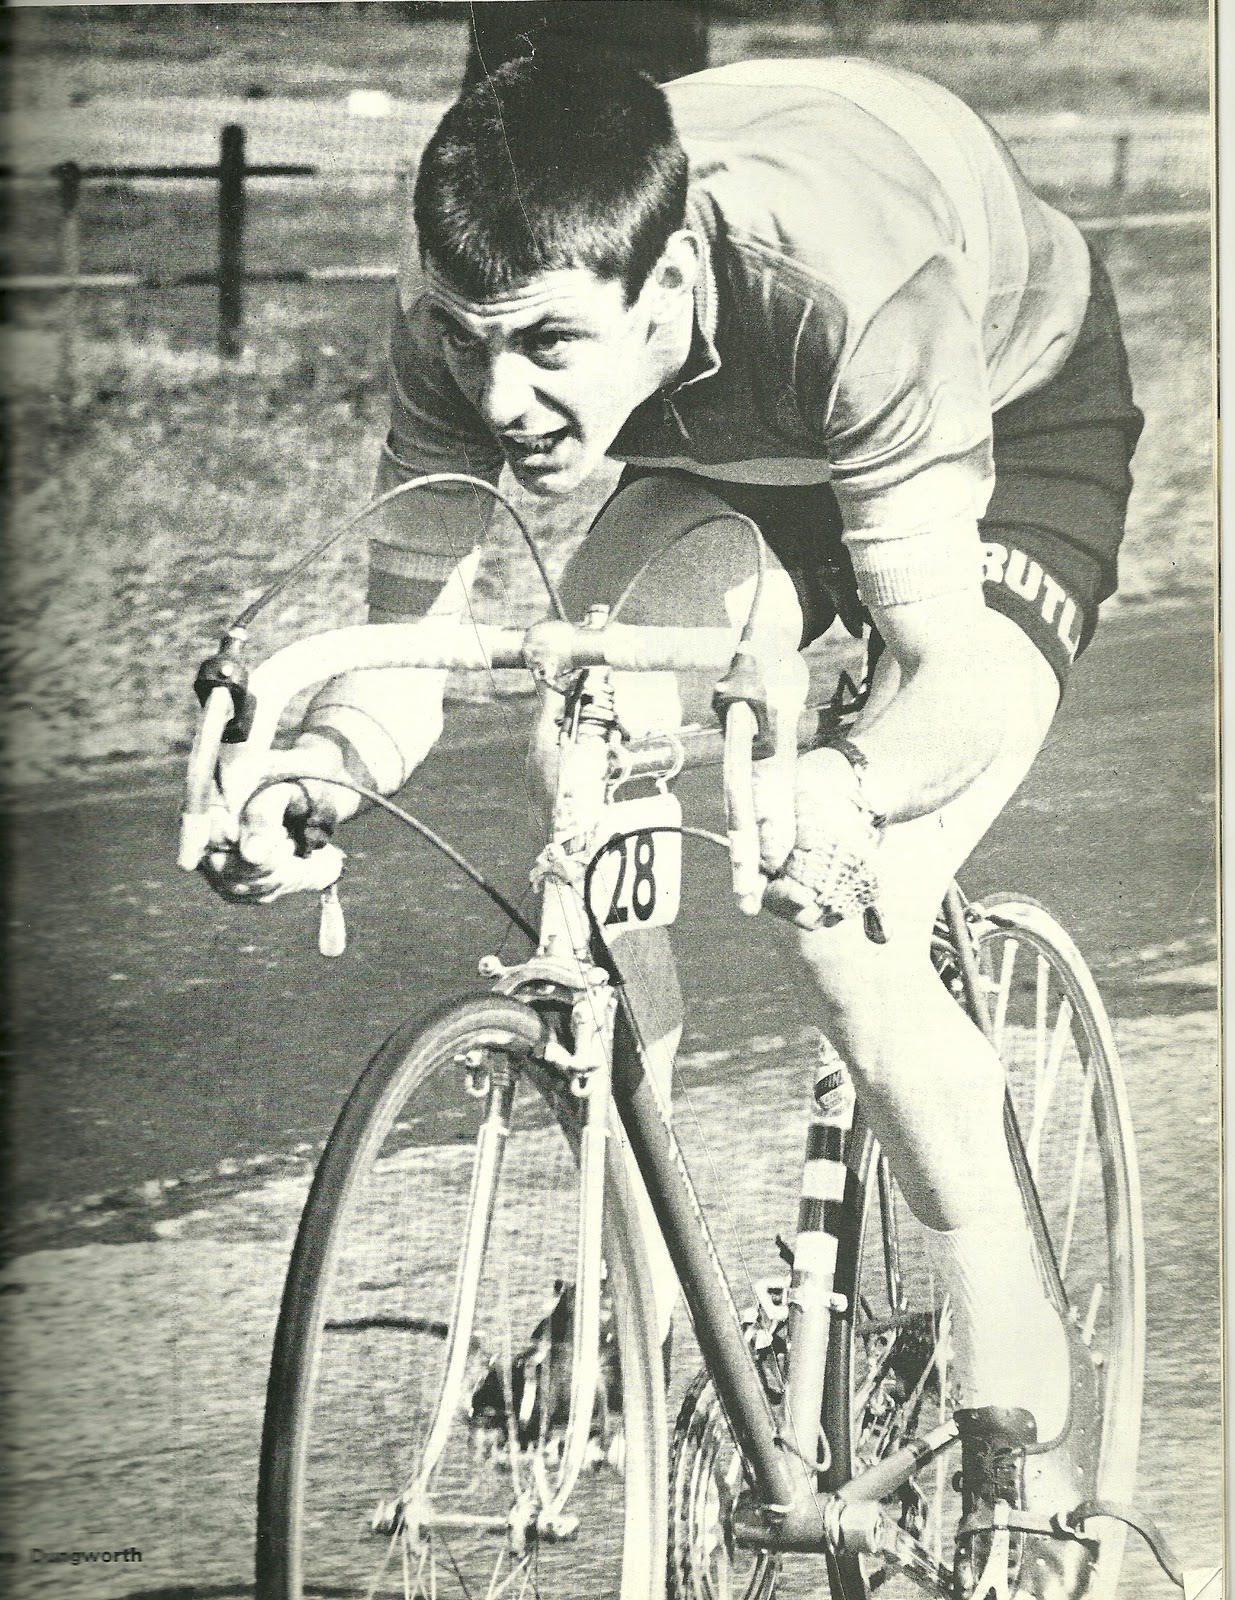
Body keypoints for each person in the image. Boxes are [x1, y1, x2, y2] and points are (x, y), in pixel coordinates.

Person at [203, 52, 1143, 1600]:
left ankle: (1024, 1424)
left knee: (853, 913)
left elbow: (940, 672)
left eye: (550, 347)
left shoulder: (848, 281)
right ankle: (646, 1313)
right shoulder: (474, 305)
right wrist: (309, 776)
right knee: (583, 716)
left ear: (672, 279)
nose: (505, 399)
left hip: (1000, 421)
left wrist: (839, 786)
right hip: (728, 443)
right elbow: (409, 669)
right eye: (474, 346)